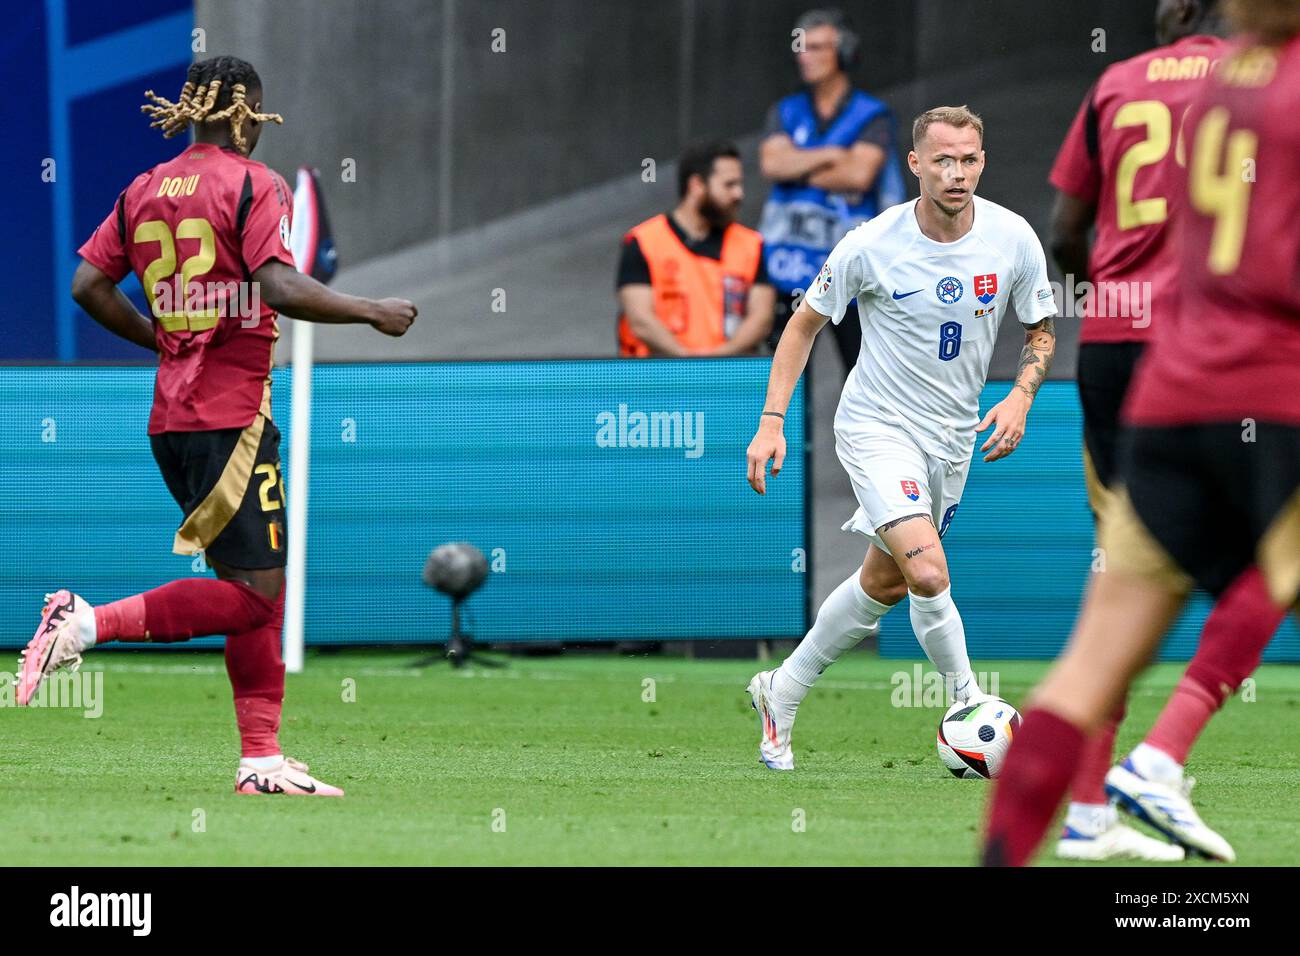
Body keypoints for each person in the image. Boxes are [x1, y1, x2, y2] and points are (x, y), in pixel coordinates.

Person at [16, 56, 418, 797]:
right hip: (231, 416)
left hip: (173, 418)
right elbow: (279, 284)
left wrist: (166, 338)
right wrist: (370, 310)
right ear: (245, 113)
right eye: (260, 117)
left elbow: (87, 285)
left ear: (192, 109)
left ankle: (261, 762)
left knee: (255, 583)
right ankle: (82, 622)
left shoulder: (143, 189)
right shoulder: (251, 184)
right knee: (258, 597)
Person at [984, 0, 1300, 866]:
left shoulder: (1153, 87)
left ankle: (1083, 814)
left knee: (1092, 652)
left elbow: (1066, 233)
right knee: (1268, 572)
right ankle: (1160, 758)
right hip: (1272, 383)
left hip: (1152, 377)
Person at [744, 106, 1057, 771]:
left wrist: (1021, 396)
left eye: (968, 159)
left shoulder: (1013, 238)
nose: (956, 173)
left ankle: (783, 689)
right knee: (928, 568)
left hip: (952, 439)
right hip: (877, 427)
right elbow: (802, 325)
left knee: (885, 583)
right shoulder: (870, 243)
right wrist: (771, 422)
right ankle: (969, 704)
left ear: (982, 162)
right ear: (915, 164)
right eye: (942, 160)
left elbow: (1040, 329)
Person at [758, 7, 906, 376]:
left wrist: (799, 166)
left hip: (849, 271)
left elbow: (858, 174)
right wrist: (832, 155)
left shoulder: (872, 114)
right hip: (786, 268)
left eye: (818, 47)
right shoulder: (786, 110)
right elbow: (772, 165)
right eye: (802, 47)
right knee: (782, 373)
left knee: (861, 373)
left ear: (843, 52)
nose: (805, 56)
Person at [616, 141, 774, 357]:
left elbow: (762, 317)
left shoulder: (751, 245)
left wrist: (717, 359)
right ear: (697, 185)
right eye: (729, 185)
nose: (739, 194)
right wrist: (688, 363)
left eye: (740, 184)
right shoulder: (643, 241)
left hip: (727, 377)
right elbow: (640, 320)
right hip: (656, 378)